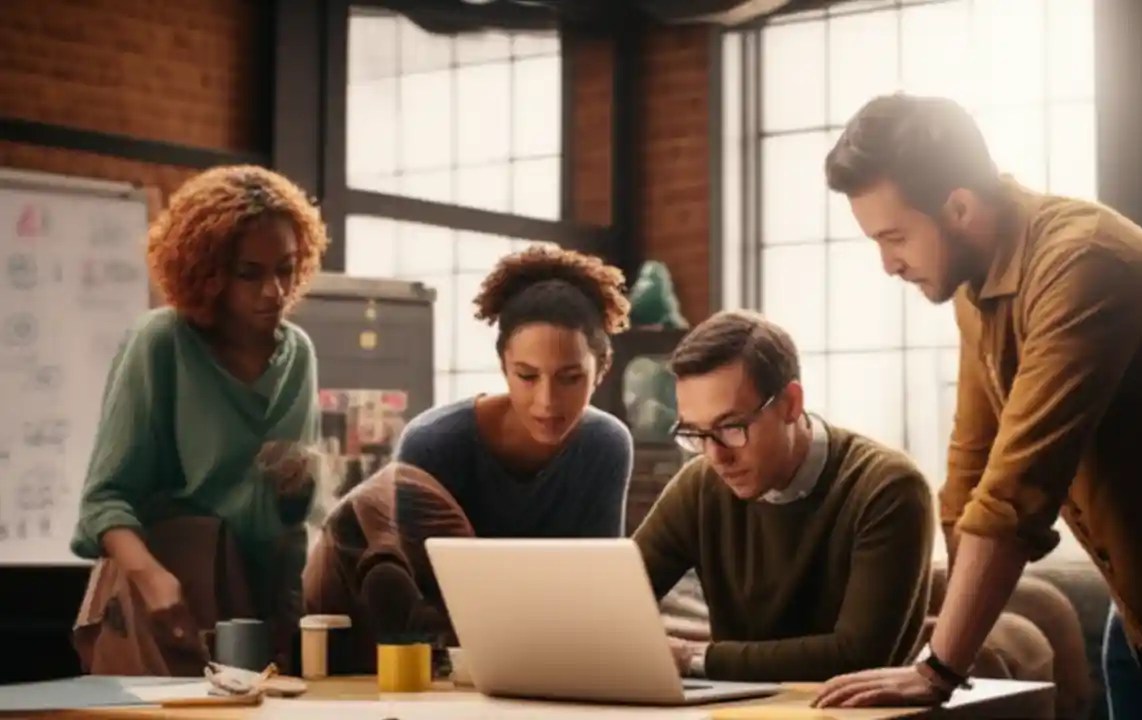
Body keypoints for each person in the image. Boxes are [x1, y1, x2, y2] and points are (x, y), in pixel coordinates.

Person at [812, 92, 1142, 717]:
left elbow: (1017, 490)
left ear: (958, 207)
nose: (887, 264)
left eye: (894, 237)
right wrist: (946, 636)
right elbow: (972, 465)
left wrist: (940, 669)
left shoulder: (1081, 263)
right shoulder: (975, 283)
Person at [302, 245, 635, 670]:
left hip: (547, 647)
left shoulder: (606, 445)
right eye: (527, 376)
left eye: (570, 378)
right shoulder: (435, 441)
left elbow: (597, 587)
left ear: (601, 369)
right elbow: (416, 602)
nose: (547, 401)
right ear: (503, 366)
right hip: (416, 646)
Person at [70, 165, 329, 676]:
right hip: (166, 592)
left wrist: (291, 617)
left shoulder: (297, 354)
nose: (274, 292)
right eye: (250, 274)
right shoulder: (162, 342)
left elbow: (290, 521)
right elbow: (104, 499)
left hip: (258, 606)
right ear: (208, 272)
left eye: (285, 269)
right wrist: (153, 581)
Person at [632, 309, 935, 683]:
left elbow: (857, 656)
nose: (716, 456)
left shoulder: (887, 488)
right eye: (695, 433)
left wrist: (693, 657)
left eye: (731, 427)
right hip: (735, 705)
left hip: (852, 708)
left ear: (791, 403)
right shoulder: (700, 485)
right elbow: (617, 599)